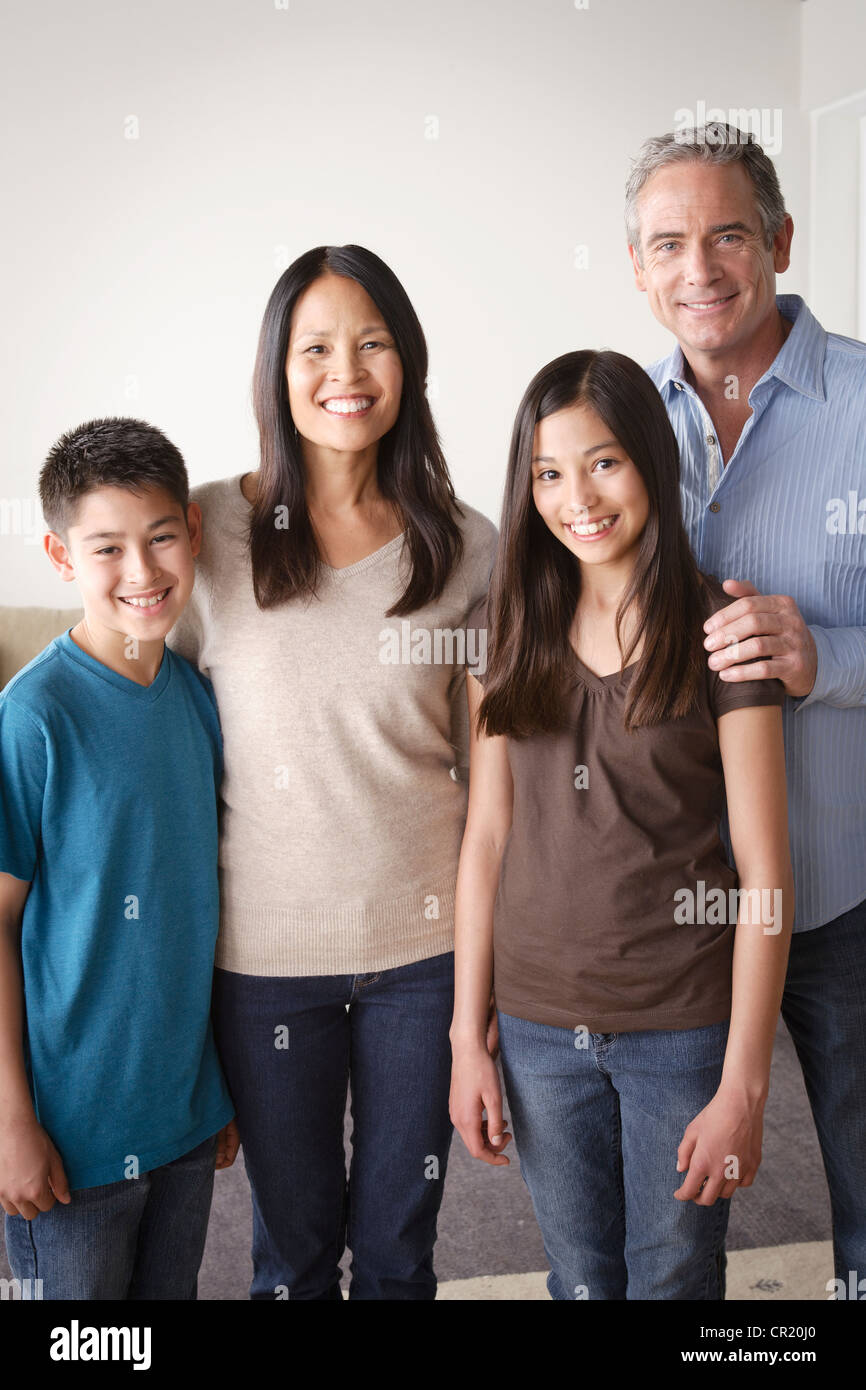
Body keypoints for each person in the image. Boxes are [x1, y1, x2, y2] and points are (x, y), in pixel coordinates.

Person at [166, 244, 498, 1300]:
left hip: (424, 958)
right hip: (264, 959)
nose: (344, 370)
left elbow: (491, 787)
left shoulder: (467, 547)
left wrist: (481, 993)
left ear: (407, 365)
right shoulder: (207, 529)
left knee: (401, 1255)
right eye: (314, 347)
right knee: (291, 1258)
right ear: (276, 367)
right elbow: (132, 714)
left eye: (372, 343)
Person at [449, 349, 794, 1300]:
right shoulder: (502, 629)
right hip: (534, 1026)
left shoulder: (724, 630)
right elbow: (484, 842)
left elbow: (765, 870)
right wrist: (464, 1039)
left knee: (675, 1279)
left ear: (651, 458)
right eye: (549, 473)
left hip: (680, 1026)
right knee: (582, 1282)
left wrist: (744, 1087)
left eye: (604, 462)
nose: (578, 498)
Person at [626, 123, 866, 1288]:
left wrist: (824, 657)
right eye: (666, 242)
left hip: (841, 896)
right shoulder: (612, 431)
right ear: (636, 267)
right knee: (669, 1228)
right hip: (670, 915)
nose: (699, 267)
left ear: (777, 238)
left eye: (726, 233)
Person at [0, 418, 238, 1300]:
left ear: (193, 535)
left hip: (180, 1118)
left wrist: (209, 1090)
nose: (142, 573)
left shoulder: (201, 701)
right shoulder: (34, 717)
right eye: (107, 548)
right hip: (67, 1138)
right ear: (64, 560)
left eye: (161, 537)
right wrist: (9, 1120)